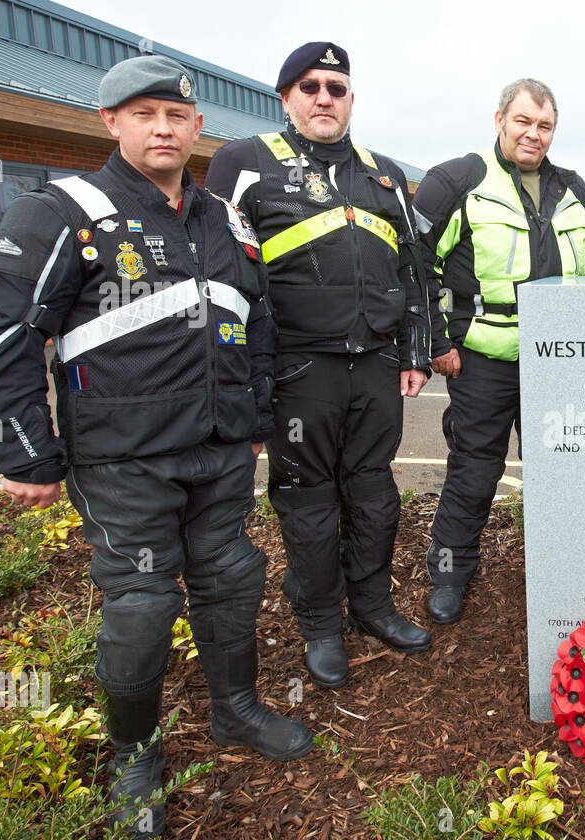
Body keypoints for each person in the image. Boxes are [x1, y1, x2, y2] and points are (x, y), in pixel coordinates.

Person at [0, 55, 313, 840]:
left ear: (197, 128)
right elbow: (4, 341)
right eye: (144, 114)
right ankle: (135, 757)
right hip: (122, 464)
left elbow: (255, 325)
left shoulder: (225, 217)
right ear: (111, 123)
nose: (162, 128)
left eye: (176, 116)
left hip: (217, 453)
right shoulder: (61, 212)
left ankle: (236, 711)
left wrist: (255, 420)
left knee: (232, 581)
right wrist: (23, 454)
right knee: (144, 609)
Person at [207, 42, 433, 689]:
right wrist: (240, 380)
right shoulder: (244, 163)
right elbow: (219, 276)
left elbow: (417, 270)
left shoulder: (383, 173)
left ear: (352, 98)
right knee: (308, 505)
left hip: (376, 369)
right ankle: (320, 625)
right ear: (286, 98)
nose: (324, 97)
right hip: (297, 372)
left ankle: (371, 606)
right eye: (310, 87)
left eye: (336, 87)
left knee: (373, 493)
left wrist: (416, 351)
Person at [414, 78, 585, 625]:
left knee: (566, 471)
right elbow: (416, 264)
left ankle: (572, 569)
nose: (534, 134)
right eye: (523, 121)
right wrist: (438, 340)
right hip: (483, 358)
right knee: (475, 469)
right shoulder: (457, 180)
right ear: (499, 119)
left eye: (544, 126)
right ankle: (450, 573)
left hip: (561, 363)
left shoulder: (573, 189)